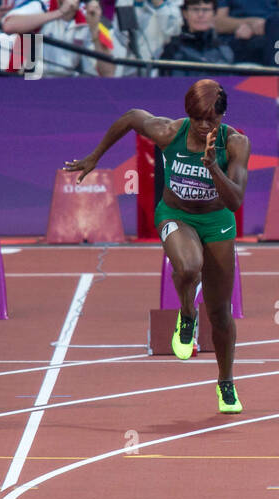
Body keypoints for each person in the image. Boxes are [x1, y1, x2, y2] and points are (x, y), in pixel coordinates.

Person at [65, 80, 249, 413]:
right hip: (175, 213)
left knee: (221, 313)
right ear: (188, 115)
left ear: (222, 117)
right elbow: (131, 117)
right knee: (189, 266)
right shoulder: (168, 132)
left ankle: (226, 382)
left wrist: (212, 168)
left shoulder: (235, 144)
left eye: (213, 120)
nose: (205, 126)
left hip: (217, 220)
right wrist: (95, 156)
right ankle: (187, 315)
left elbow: (235, 200)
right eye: (199, 119)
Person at [1, 0, 116, 76]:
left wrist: (95, 29)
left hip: (66, 84)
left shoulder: (90, 14)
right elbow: (8, 26)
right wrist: (60, 12)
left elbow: (108, 73)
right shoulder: (42, 6)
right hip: (30, 80)